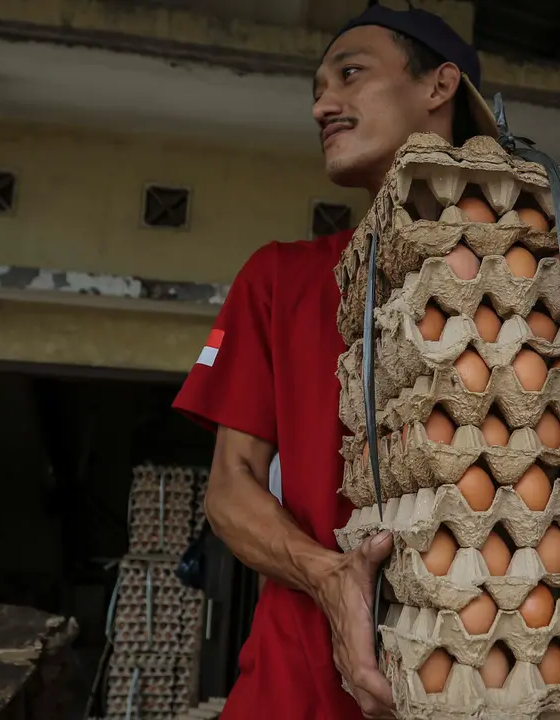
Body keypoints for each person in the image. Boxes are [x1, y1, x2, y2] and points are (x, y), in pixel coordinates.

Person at [172, 6, 499, 719]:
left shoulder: (529, 278)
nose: (323, 104)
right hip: (299, 692)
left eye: (350, 75)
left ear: (439, 86)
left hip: (489, 684)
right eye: (318, 88)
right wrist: (329, 577)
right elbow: (230, 488)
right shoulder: (283, 280)